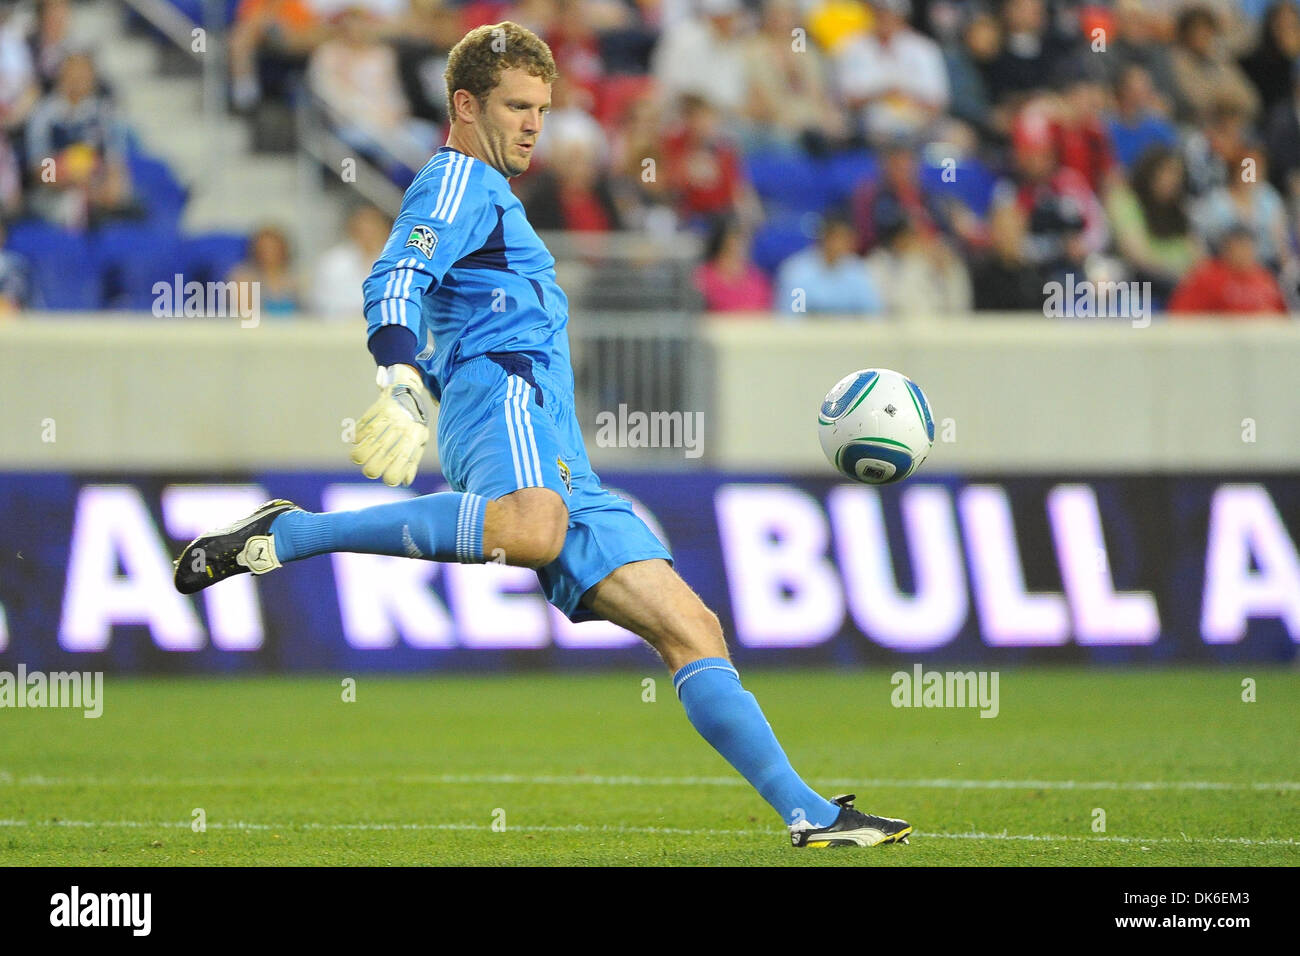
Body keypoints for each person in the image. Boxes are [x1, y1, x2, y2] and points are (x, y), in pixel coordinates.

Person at [171, 20, 912, 850]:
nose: (534, 124)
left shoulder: (496, 194)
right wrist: (399, 376)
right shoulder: (455, 182)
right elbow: (396, 276)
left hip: (556, 436)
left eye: (543, 108)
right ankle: (297, 532)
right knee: (529, 529)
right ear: (464, 104)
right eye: (517, 106)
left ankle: (809, 813)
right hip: (501, 397)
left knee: (693, 629)